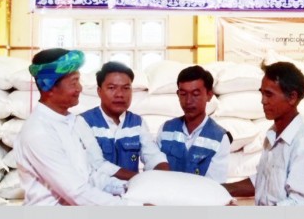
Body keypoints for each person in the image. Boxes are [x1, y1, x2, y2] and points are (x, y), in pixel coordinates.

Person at [13, 48, 143, 205]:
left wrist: (129, 187)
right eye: (73, 82)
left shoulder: (76, 122)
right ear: (50, 87)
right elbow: (76, 192)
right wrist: (133, 207)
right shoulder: (38, 132)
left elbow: (90, 176)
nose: (79, 88)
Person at [222, 61, 304, 205]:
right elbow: (264, 180)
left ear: (292, 97)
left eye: (269, 95)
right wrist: (222, 189)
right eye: (262, 93)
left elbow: (299, 205)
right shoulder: (272, 135)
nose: (263, 101)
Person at [77, 61, 170, 182]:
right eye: (112, 88)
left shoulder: (137, 123)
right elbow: (98, 164)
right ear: (99, 91)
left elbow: (153, 156)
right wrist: (141, 179)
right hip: (98, 191)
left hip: (133, 190)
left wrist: (164, 176)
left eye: (126, 88)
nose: (120, 94)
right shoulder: (84, 121)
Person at [156, 65, 230, 183]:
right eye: (183, 94)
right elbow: (155, 173)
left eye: (195, 94)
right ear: (178, 95)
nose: (188, 101)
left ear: (209, 95)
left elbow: (214, 186)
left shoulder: (219, 138)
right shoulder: (166, 130)